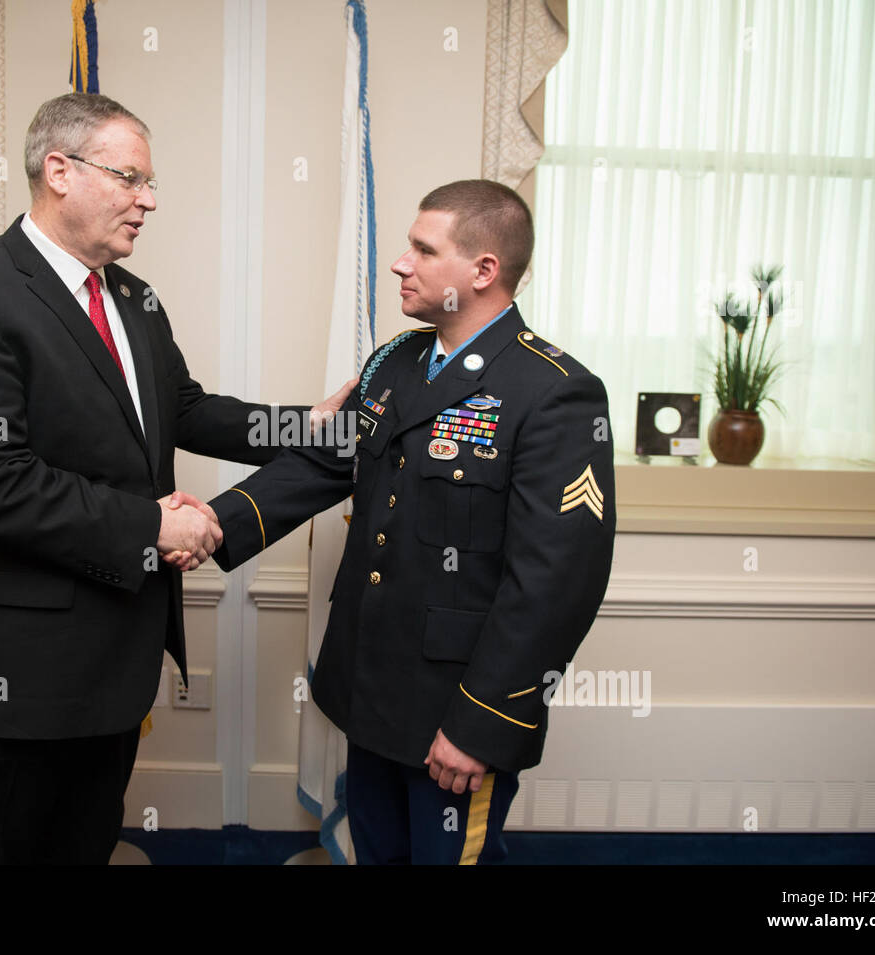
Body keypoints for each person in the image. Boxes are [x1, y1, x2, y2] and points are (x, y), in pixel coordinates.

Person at [0, 92, 352, 864]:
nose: (149, 200)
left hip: (113, 655)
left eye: (150, 182)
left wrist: (303, 425)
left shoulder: (131, 297)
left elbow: (184, 409)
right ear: (59, 171)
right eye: (131, 177)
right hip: (6, 670)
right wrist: (152, 525)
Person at [201, 179, 616, 864]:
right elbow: (324, 465)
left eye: (424, 249)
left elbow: (557, 581)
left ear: (483, 270)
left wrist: (483, 720)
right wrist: (214, 523)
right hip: (370, 687)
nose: (400, 262)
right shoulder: (394, 361)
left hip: (455, 708)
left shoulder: (554, 391)